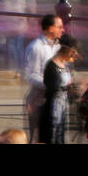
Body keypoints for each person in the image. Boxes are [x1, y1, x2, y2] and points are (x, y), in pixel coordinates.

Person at [23, 13, 65, 142]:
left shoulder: (59, 47)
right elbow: (30, 75)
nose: (63, 30)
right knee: (39, 138)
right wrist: (50, 84)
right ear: (51, 28)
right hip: (40, 99)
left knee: (57, 136)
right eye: (60, 27)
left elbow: (65, 70)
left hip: (57, 99)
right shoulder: (36, 47)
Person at [39, 34, 81, 144]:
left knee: (60, 135)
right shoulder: (51, 66)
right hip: (53, 108)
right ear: (67, 50)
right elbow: (51, 88)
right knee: (52, 136)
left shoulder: (65, 66)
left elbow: (69, 80)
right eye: (73, 52)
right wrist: (67, 87)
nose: (74, 56)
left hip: (62, 108)